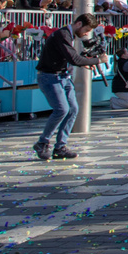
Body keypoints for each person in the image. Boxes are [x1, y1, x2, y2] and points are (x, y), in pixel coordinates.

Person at [32, 13, 108, 160]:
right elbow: (74, 59)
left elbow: (71, 58)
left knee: (73, 109)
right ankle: (42, 142)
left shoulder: (68, 35)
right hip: (50, 76)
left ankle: (60, 146)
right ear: (78, 24)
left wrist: (86, 62)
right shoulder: (62, 35)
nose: (86, 34)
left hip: (62, 76)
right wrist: (97, 60)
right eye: (86, 30)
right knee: (62, 109)